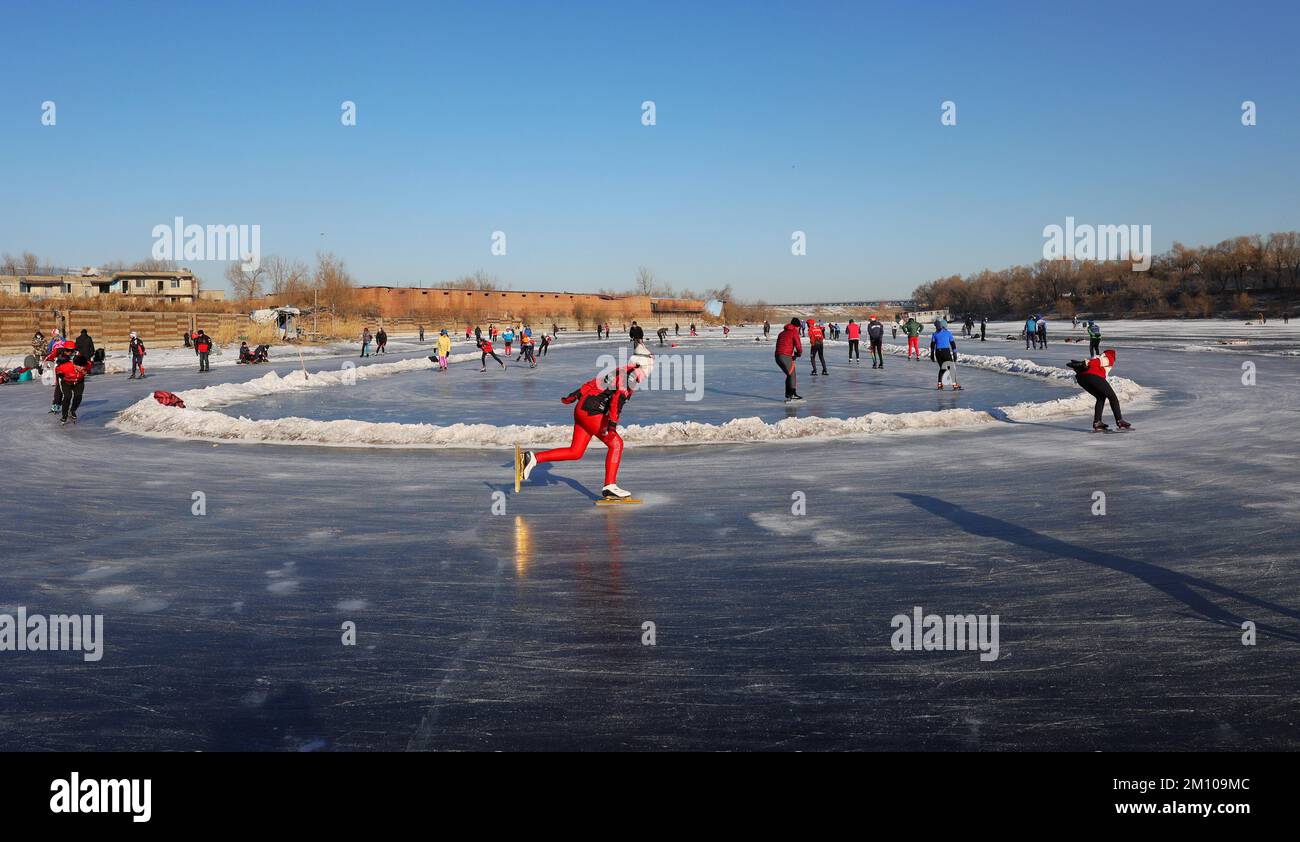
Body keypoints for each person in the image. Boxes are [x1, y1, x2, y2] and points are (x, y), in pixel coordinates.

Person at [520, 345, 655, 500]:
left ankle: (532, 458)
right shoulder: (633, 376)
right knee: (616, 443)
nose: (651, 369)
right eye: (651, 365)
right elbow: (619, 398)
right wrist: (612, 424)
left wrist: (576, 394)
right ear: (644, 364)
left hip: (582, 409)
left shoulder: (621, 369)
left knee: (575, 452)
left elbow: (595, 382)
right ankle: (610, 486)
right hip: (592, 412)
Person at [1067, 350, 1130, 432]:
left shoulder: (1097, 356)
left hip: (1081, 378)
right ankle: (1120, 421)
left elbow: (1089, 365)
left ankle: (1097, 422)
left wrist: (1082, 364)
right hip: (1093, 376)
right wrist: (1085, 363)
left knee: (1101, 397)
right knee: (1112, 397)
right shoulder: (1109, 356)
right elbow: (1097, 362)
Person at [56, 351, 90, 425]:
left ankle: (72, 411)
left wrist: (86, 370)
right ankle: (64, 415)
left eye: (83, 366)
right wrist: (61, 375)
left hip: (79, 382)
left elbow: (89, 364)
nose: (82, 368)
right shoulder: (66, 367)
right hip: (66, 382)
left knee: (78, 395)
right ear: (74, 365)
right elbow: (57, 369)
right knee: (67, 396)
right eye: (80, 366)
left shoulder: (87, 366)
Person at [775, 318, 803, 402]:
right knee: (792, 373)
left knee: (789, 374)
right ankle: (793, 394)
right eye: (799, 327)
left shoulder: (781, 333)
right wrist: (798, 354)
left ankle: (788, 394)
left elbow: (779, 345)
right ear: (796, 326)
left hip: (777, 357)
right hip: (785, 356)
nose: (799, 329)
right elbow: (798, 345)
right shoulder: (794, 332)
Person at [45, 339, 76, 413]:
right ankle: (56, 405)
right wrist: (45, 365)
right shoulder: (58, 351)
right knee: (59, 388)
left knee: (69, 389)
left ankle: (66, 404)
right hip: (60, 372)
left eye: (72, 351)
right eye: (68, 350)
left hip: (71, 373)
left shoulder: (75, 354)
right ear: (64, 348)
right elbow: (48, 357)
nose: (69, 352)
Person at [931, 319, 961, 390]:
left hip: (938, 353)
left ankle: (939, 384)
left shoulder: (934, 334)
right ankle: (954, 384)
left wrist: (932, 354)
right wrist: (954, 353)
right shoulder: (948, 333)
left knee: (942, 369)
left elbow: (932, 345)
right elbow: (953, 344)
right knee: (951, 368)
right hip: (945, 352)